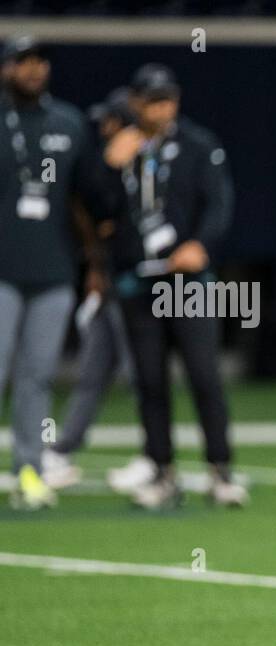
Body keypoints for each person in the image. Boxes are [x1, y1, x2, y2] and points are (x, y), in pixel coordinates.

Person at [99, 63, 242, 509]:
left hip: (189, 281)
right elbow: (97, 211)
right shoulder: (121, 149)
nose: (162, 108)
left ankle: (221, 471)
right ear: (136, 103)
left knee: (204, 376)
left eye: (169, 99)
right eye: (153, 100)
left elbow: (218, 203)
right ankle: (162, 472)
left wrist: (200, 244)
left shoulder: (199, 145)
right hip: (137, 282)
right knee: (149, 381)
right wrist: (109, 167)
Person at [0, 36, 101, 510]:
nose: (34, 69)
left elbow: (86, 202)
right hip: (2, 270)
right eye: (23, 61)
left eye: (40, 61)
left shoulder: (69, 123)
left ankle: (29, 468)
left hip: (53, 272)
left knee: (37, 375)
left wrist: (95, 263)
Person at [42, 87, 136, 490]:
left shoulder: (145, 163)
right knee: (94, 370)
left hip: (141, 286)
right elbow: (92, 215)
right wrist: (96, 267)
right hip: (112, 279)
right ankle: (64, 448)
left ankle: (155, 455)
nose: (103, 128)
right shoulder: (103, 166)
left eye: (109, 121)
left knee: (141, 373)